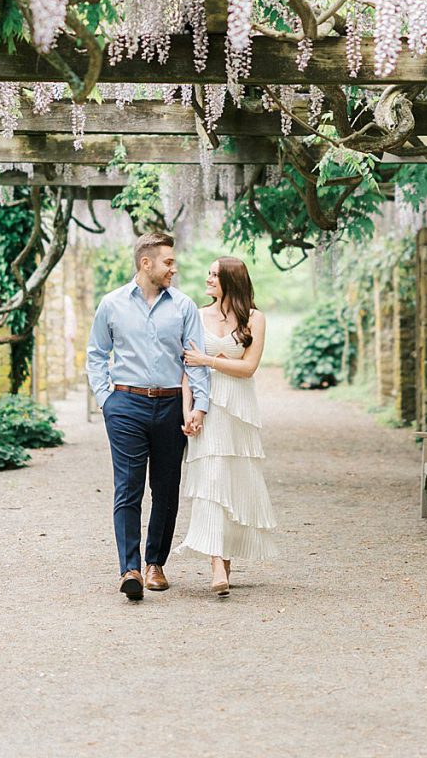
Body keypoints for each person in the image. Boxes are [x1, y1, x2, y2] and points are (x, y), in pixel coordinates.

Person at [86, 231, 210, 601]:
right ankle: (131, 568)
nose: (174, 268)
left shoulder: (184, 306)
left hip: (172, 405)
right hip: (126, 404)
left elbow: (195, 361)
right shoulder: (112, 304)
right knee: (128, 488)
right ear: (146, 263)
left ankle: (156, 562)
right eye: (168, 262)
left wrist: (199, 406)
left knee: (167, 488)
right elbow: (96, 354)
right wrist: (105, 398)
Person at [174, 256, 277, 596]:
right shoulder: (197, 316)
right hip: (208, 405)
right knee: (212, 478)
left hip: (239, 407)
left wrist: (207, 359)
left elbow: (248, 368)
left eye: (215, 275)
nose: (208, 279)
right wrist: (188, 411)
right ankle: (216, 562)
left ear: (231, 281)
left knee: (233, 481)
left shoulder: (255, 319)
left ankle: (226, 558)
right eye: (208, 273)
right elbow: (188, 370)